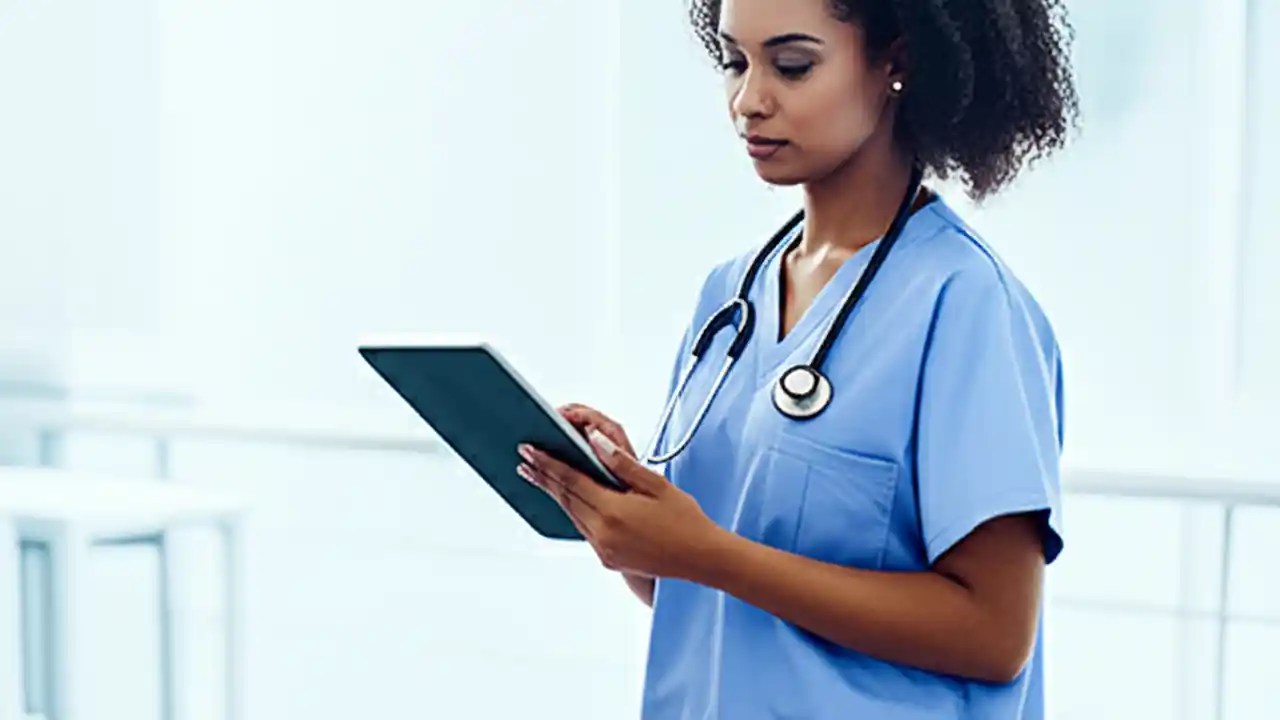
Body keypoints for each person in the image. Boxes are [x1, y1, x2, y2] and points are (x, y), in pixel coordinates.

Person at [515, 0, 1078, 717]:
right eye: (734, 63)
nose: (749, 101)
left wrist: (707, 553)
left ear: (896, 64)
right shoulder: (730, 294)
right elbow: (709, 595)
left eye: (791, 65)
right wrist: (630, 524)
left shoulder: (967, 305)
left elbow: (995, 634)